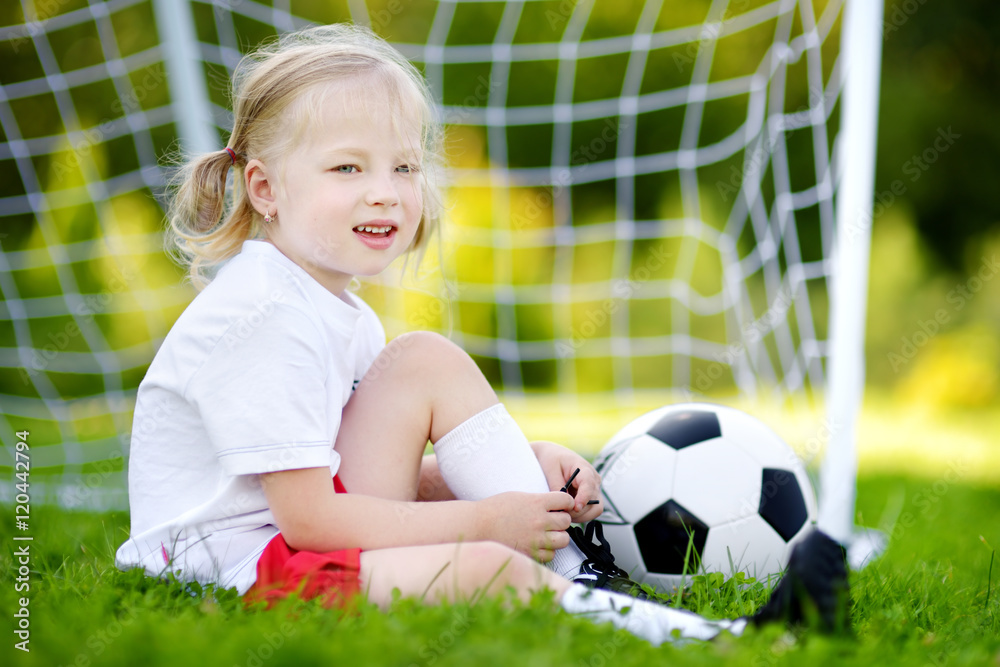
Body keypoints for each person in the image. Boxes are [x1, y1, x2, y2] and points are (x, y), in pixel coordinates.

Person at [115, 23, 849, 646]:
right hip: (232, 569)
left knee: (422, 361)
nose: (384, 191)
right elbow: (309, 518)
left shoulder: (340, 310)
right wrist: (485, 521)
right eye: (348, 167)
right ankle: (732, 639)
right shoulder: (262, 317)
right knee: (483, 566)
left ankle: (577, 570)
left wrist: (525, 473)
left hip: (288, 535)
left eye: (403, 166)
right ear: (266, 189)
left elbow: (344, 476)